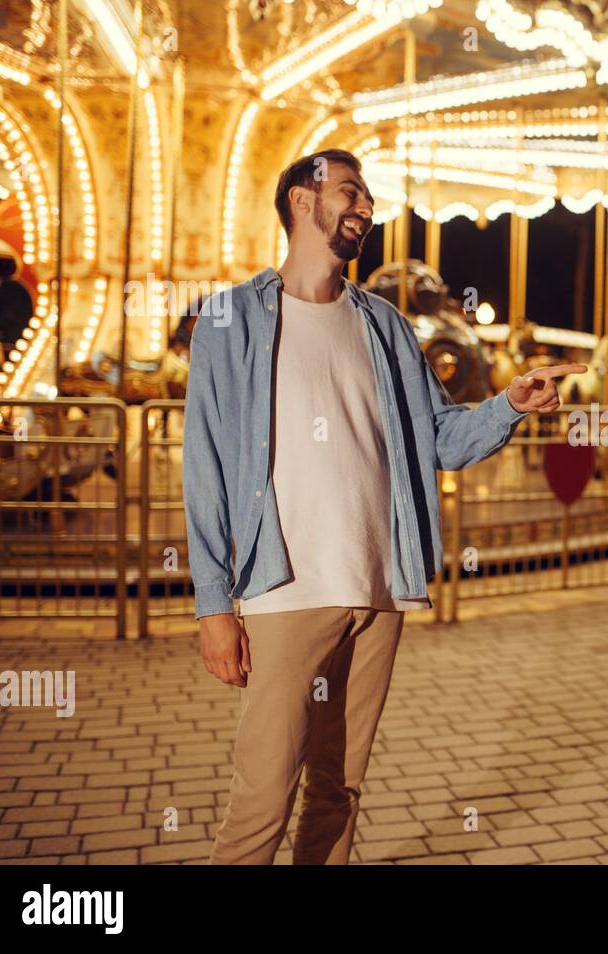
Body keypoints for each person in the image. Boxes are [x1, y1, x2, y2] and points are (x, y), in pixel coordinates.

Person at [182, 148, 583, 864]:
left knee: (339, 791)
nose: (365, 208)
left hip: (377, 589)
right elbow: (204, 464)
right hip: (285, 591)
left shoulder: (385, 325)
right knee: (262, 801)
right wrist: (213, 605)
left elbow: (440, 439)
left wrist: (510, 404)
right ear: (302, 200)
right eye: (350, 192)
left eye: (366, 196)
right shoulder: (229, 318)